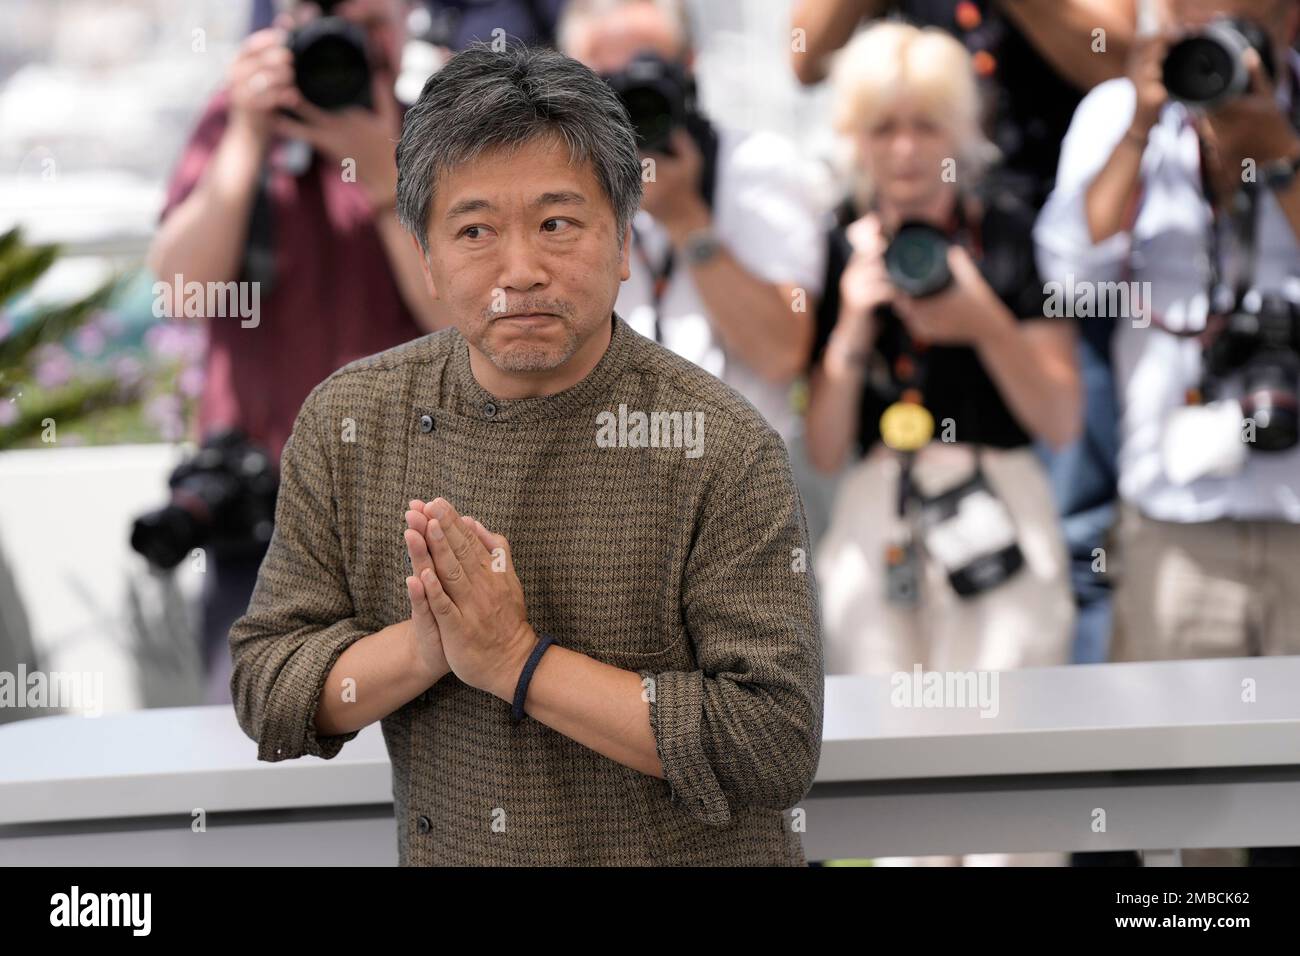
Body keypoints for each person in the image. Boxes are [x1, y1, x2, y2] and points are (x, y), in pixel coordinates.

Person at [227, 42, 824, 866]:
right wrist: (426, 648)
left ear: (623, 244)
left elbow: (771, 745)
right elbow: (267, 687)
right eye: (474, 230)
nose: (520, 270)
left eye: (557, 224)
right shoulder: (351, 422)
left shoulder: (716, 444)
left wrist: (516, 660)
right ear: (427, 259)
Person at [806, 22, 1081, 864]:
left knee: (1010, 773)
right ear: (855, 139)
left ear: (959, 134)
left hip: (997, 500)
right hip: (876, 509)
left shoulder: (1002, 232)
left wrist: (983, 323)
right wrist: (852, 324)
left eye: (925, 125)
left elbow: (1062, 419)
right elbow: (820, 447)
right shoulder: (839, 241)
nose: (905, 150)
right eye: (883, 127)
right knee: (898, 791)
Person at [1034, 0, 1300, 866]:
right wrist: (1144, 125)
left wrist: (1281, 162)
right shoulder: (1118, 111)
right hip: (1176, 524)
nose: (1213, 16)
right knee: (1184, 828)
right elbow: (1070, 278)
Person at [148, 0, 446, 705]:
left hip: (412, 524)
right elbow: (186, 292)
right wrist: (248, 133)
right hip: (261, 519)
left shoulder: (432, 137)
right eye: (343, 26)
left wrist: (384, 179)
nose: (361, 49)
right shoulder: (232, 131)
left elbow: (466, 326)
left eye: (379, 25)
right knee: (248, 739)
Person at [559, 0, 828, 466]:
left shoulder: (758, 166)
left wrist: (687, 220)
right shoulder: (554, 186)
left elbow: (782, 352)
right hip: (603, 482)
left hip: (735, 481)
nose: (628, 106)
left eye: (645, 75)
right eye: (605, 84)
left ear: (689, 68)